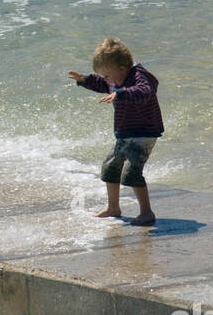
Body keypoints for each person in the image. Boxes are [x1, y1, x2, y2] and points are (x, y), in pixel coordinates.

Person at [67, 37, 164, 226]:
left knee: (131, 173)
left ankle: (147, 212)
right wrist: (84, 80)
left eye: (107, 75)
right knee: (110, 167)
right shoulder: (113, 79)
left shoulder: (139, 76)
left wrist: (121, 93)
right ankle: (113, 208)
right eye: (103, 76)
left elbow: (145, 91)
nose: (106, 80)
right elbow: (103, 84)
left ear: (122, 68)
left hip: (143, 133)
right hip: (125, 133)